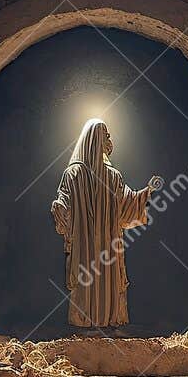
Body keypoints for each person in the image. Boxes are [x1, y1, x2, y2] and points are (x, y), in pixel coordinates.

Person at [50, 118, 162, 331]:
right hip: (106, 244)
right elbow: (128, 207)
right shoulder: (99, 175)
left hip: (90, 245)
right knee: (102, 280)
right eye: (106, 136)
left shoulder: (76, 174)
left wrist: (148, 192)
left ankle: (90, 322)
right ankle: (102, 321)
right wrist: (146, 194)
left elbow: (125, 205)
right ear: (95, 139)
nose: (110, 140)